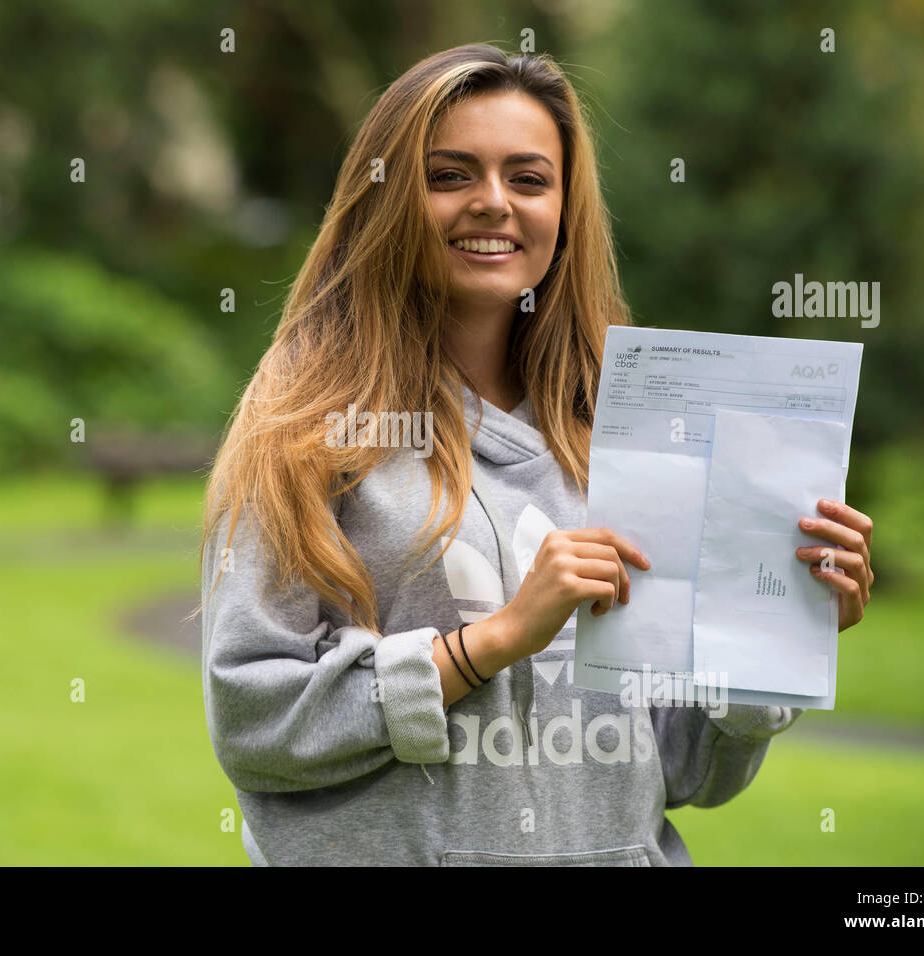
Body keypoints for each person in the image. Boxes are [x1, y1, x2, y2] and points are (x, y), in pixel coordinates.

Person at [196, 43, 875, 866]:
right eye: (449, 175)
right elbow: (253, 717)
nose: (492, 203)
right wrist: (493, 641)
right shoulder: (306, 421)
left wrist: (775, 628)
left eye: (527, 179)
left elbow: (684, 766)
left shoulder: (625, 430)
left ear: (564, 208)